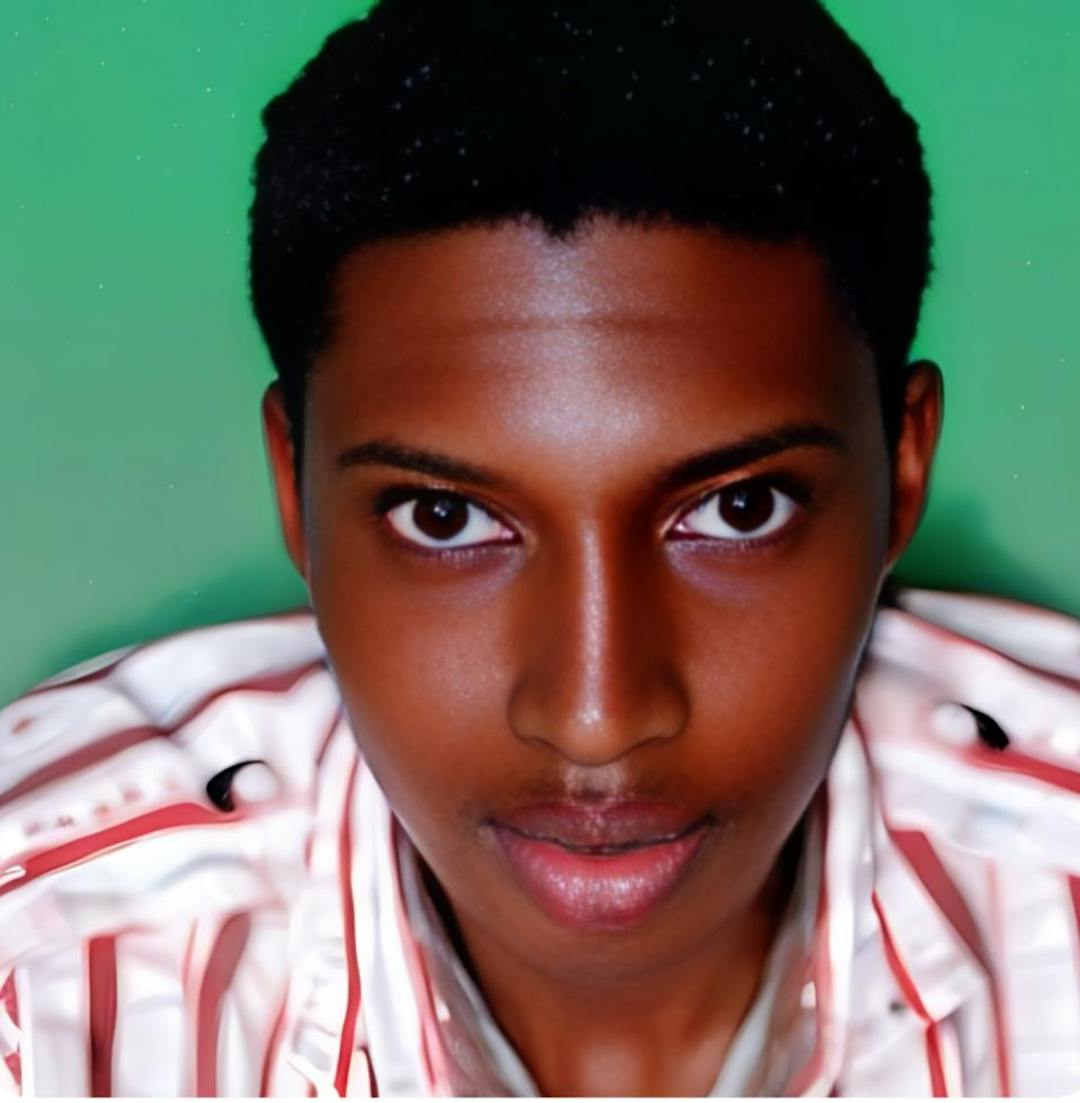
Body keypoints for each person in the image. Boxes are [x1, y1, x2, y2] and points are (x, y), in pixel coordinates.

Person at [1, 0, 1078, 1095]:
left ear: (902, 468)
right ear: (295, 486)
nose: (595, 716)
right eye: (445, 519)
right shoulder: (28, 985)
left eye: (740, 509)